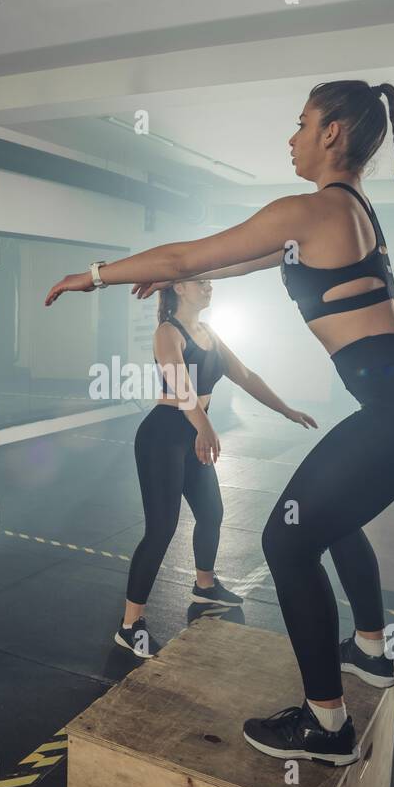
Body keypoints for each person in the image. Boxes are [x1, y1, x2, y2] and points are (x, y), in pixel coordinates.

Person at [46, 80, 394, 766]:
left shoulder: (312, 207)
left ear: (333, 133)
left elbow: (191, 256)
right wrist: (160, 271)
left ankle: (326, 725)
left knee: (286, 539)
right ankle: (370, 651)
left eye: (301, 123)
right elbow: (231, 259)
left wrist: (93, 274)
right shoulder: (346, 209)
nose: (291, 136)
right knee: (330, 519)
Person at [119, 277, 315, 658]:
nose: (209, 287)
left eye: (210, 282)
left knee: (212, 512)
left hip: (193, 431)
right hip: (163, 436)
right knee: (161, 529)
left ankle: (204, 587)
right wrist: (205, 426)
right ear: (179, 289)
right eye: (201, 282)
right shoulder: (167, 332)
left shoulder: (209, 333)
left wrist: (286, 409)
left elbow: (246, 376)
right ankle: (130, 626)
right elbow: (180, 387)